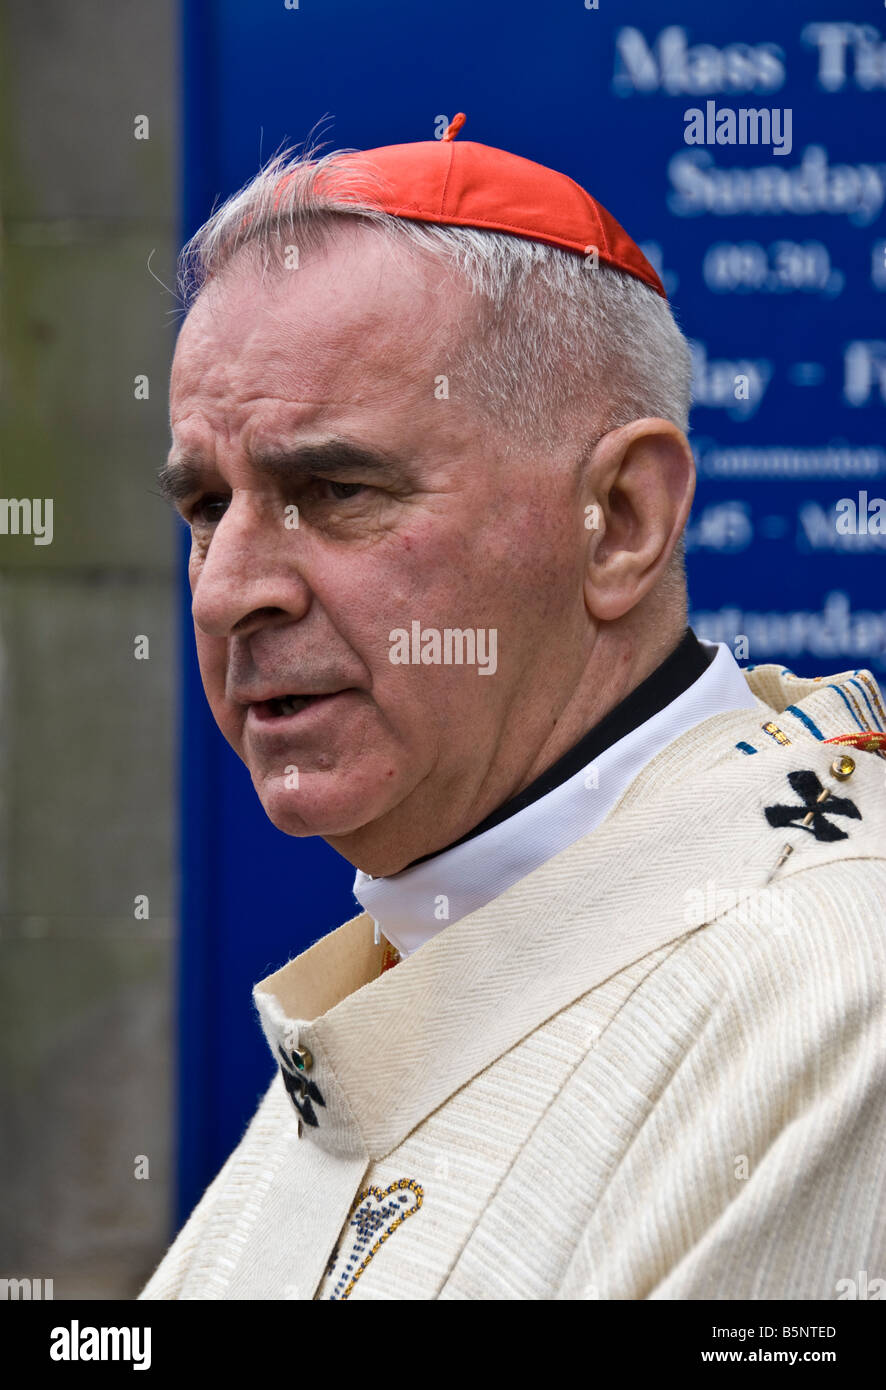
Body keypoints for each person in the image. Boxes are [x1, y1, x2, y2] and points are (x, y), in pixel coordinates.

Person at [140, 117, 886, 1300]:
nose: (229, 589)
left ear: (621, 521)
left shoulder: (835, 990)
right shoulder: (406, 956)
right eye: (204, 510)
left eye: (333, 488)